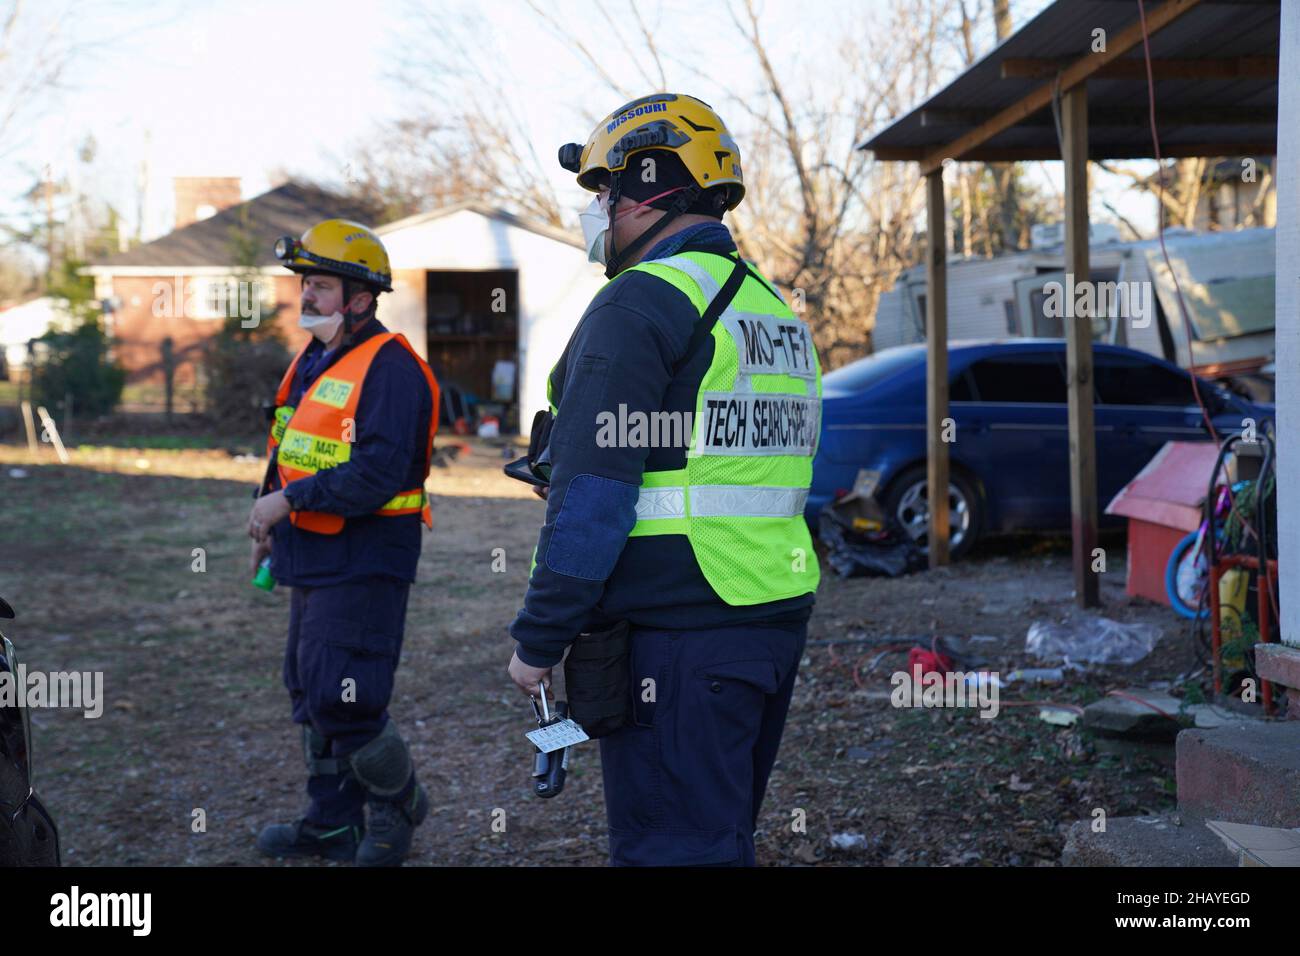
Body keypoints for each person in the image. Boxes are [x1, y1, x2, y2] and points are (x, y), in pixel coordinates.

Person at [507, 94, 823, 866]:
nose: (599, 213)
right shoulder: (769, 309)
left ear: (648, 189)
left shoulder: (641, 301)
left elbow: (596, 494)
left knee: (672, 853)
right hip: (764, 618)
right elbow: (710, 461)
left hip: (681, 638)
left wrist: (539, 636)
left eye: (603, 192)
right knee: (714, 840)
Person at [248, 219, 439, 866]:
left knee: (344, 692)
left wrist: (288, 502)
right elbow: (289, 449)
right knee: (306, 687)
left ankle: (398, 804)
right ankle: (331, 822)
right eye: (305, 283)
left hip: (366, 556)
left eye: (321, 285)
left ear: (360, 297)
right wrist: (267, 519)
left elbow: (378, 472)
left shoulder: (392, 369)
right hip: (308, 551)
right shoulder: (311, 360)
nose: (307, 296)